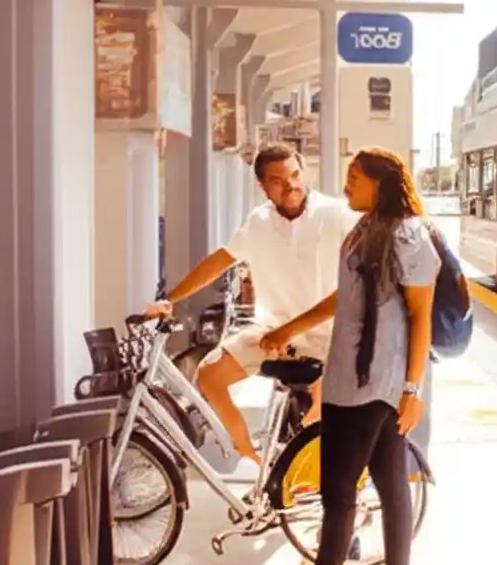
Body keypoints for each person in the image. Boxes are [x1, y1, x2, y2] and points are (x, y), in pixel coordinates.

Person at [261, 147, 438, 565]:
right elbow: (347, 295)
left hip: (373, 384)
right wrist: (291, 327)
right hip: (353, 380)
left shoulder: (407, 236)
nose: (345, 187)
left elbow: (422, 314)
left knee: (338, 495)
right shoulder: (365, 229)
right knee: (389, 483)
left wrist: (414, 390)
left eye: (354, 179)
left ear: (381, 184)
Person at [146, 142, 358, 465]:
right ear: (263, 187)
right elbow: (219, 261)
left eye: (295, 174)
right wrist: (169, 299)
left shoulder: (336, 214)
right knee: (209, 375)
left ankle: (309, 479)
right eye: (278, 180)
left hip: (328, 336)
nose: (290, 185)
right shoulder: (259, 222)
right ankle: (252, 457)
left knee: (318, 421)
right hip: (273, 334)